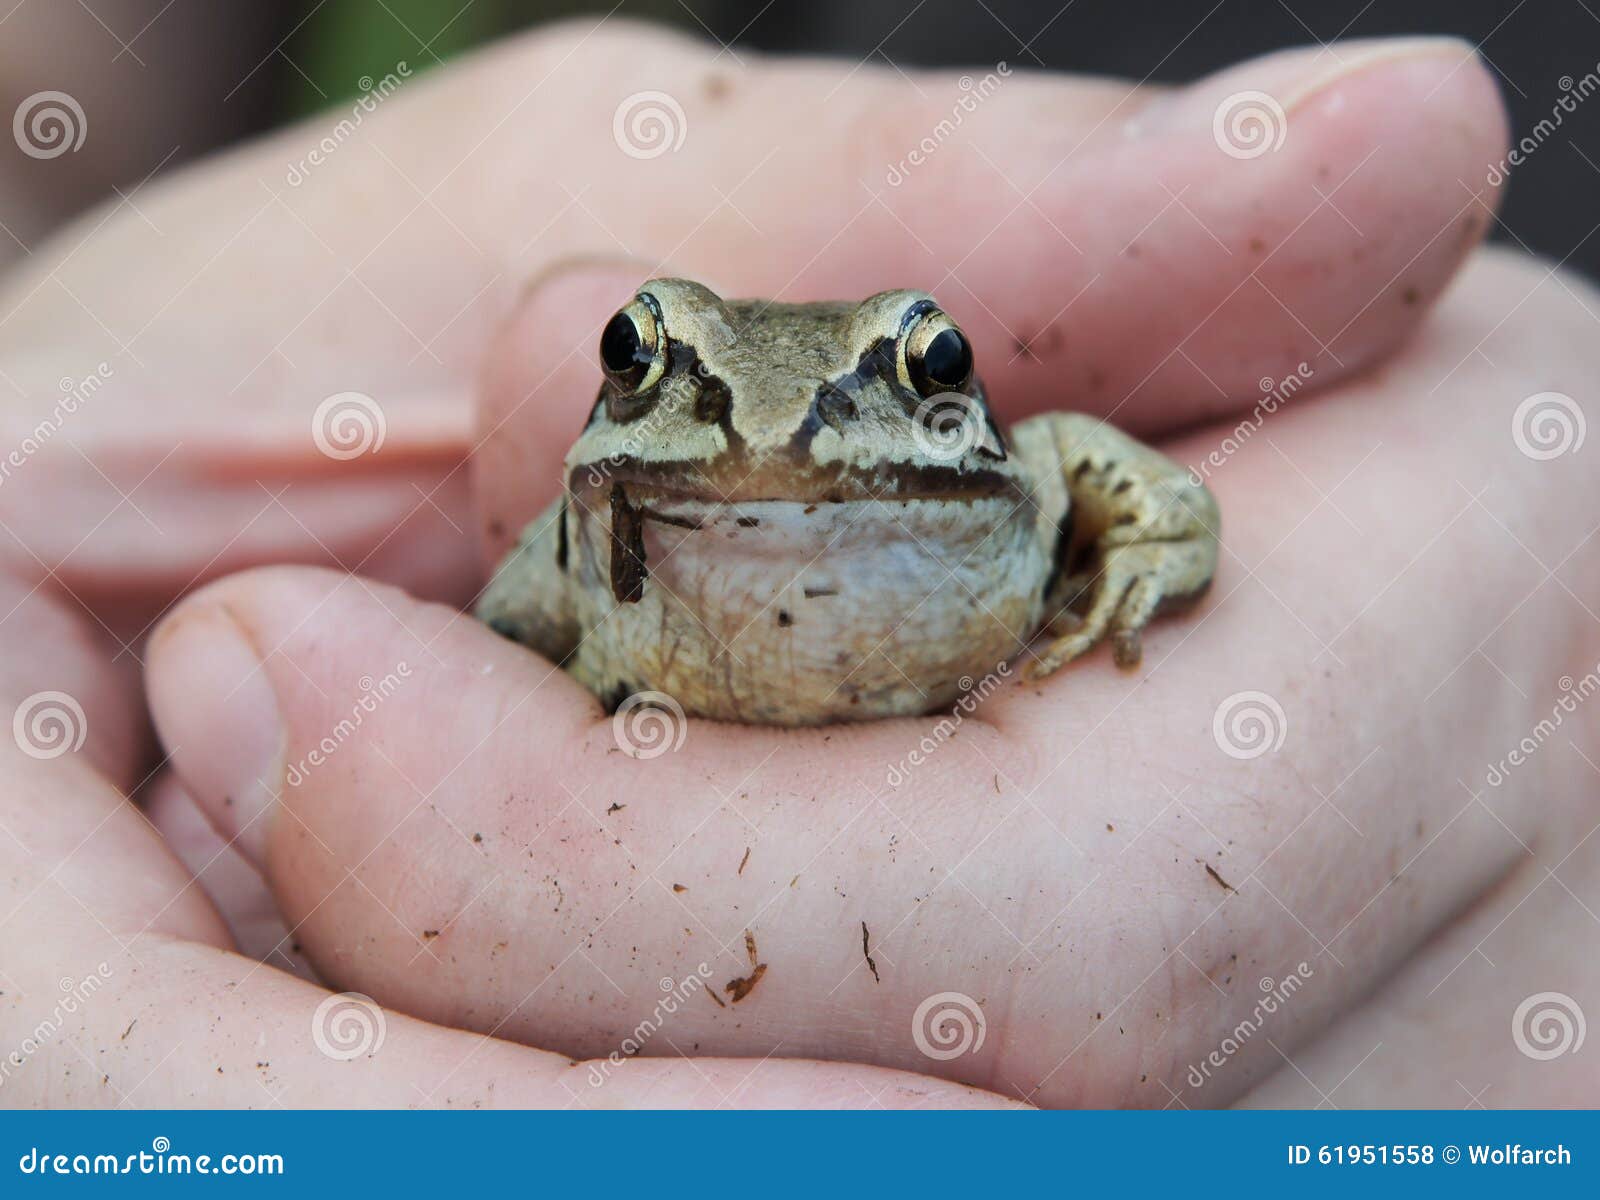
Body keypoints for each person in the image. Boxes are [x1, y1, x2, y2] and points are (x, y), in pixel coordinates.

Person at [1, 21, 1594, 1108]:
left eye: (923, 369)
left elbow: (1105, 478)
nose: (770, 433)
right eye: (643, 360)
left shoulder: (1026, 479)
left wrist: (1177, 563)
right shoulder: (584, 541)